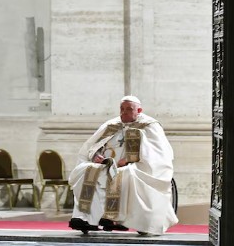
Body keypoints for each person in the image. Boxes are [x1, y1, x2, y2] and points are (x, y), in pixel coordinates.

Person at [68, 95, 178, 235]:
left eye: (128, 109)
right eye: (121, 109)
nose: (123, 112)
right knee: (86, 170)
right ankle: (86, 219)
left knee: (126, 174)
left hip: (136, 166)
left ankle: (114, 218)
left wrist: (128, 160)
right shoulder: (112, 125)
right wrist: (95, 155)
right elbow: (92, 146)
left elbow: (158, 153)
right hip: (106, 165)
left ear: (139, 110)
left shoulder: (150, 126)